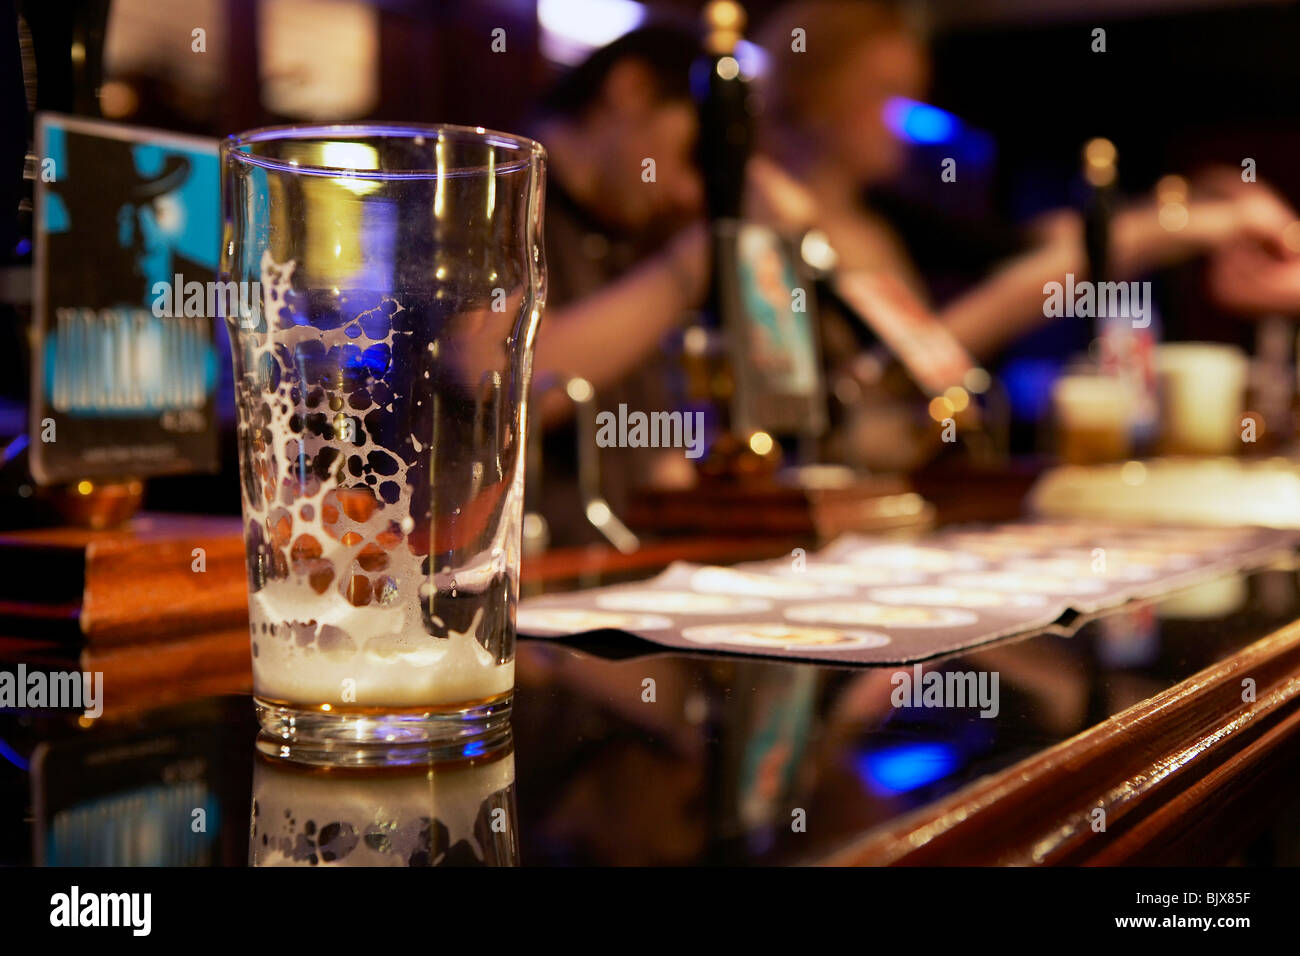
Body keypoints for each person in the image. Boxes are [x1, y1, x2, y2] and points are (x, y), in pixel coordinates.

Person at [754, 0, 1300, 362]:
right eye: (885, 94)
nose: (905, 122)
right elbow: (918, 360)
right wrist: (1183, 226)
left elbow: (1047, 240)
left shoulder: (882, 216)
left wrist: (1205, 203)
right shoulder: (772, 230)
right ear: (817, 95)